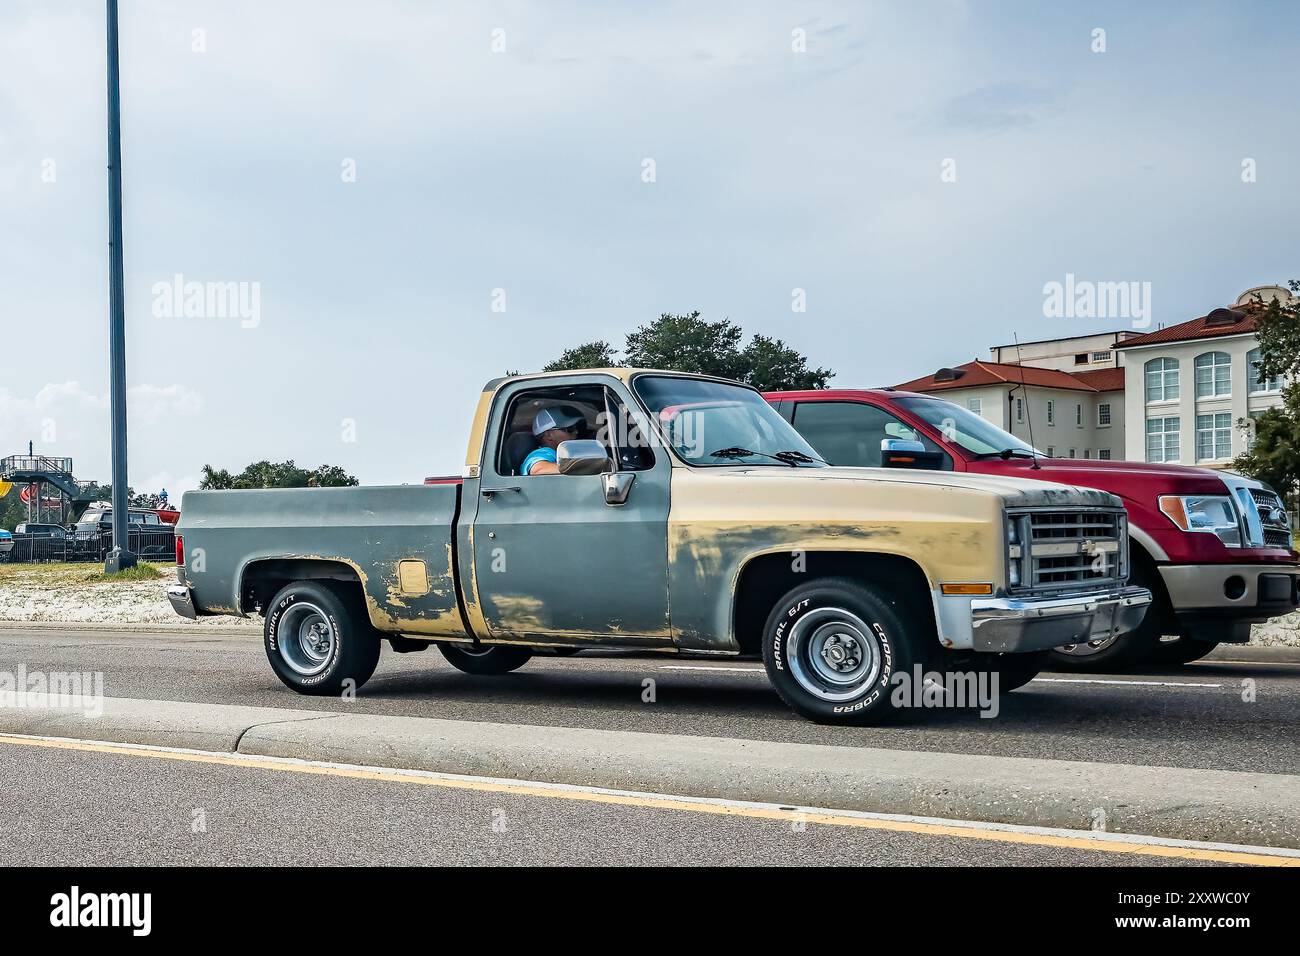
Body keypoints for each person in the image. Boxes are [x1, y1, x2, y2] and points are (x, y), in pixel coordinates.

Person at [521, 405, 585, 475]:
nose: (576, 432)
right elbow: (537, 469)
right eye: (570, 429)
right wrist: (584, 467)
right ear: (549, 435)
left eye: (576, 428)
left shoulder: (562, 454)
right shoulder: (544, 452)